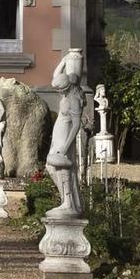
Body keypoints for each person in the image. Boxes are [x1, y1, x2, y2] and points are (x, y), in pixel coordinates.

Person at [44, 48, 86, 215]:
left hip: (64, 138)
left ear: (66, 87)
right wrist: (64, 60)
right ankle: (65, 200)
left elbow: (76, 125)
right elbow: (56, 76)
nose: (58, 92)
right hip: (58, 135)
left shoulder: (74, 100)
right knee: (51, 166)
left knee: (60, 167)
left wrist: (66, 146)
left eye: (59, 90)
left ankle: (68, 202)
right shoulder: (66, 96)